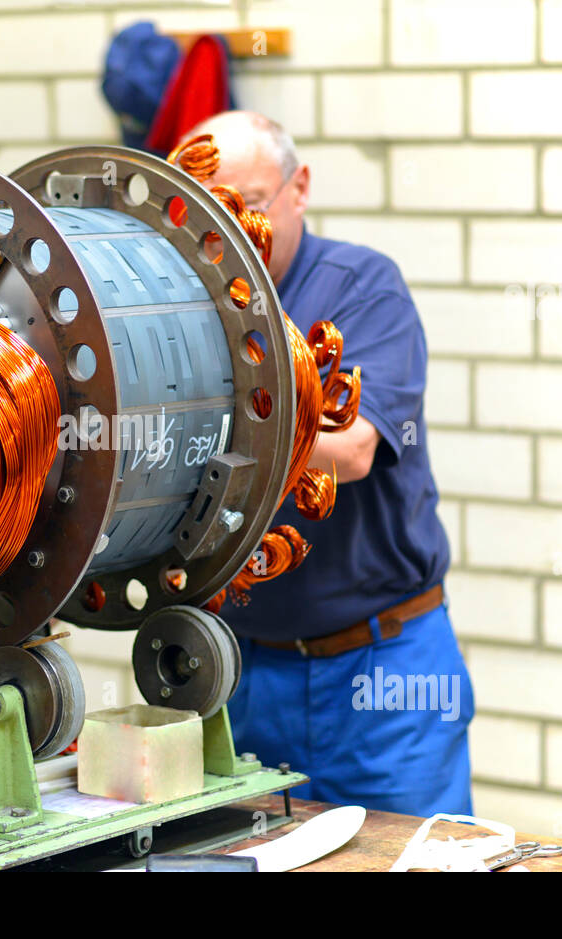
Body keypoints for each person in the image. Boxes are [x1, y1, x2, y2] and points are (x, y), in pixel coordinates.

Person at [187, 111, 472, 817]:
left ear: (299, 187)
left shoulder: (363, 290)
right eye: (210, 214)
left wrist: (202, 423)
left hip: (384, 677)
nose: (233, 236)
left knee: (416, 864)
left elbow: (350, 450)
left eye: (248, 207)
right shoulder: (185, 313)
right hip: (249, 673)